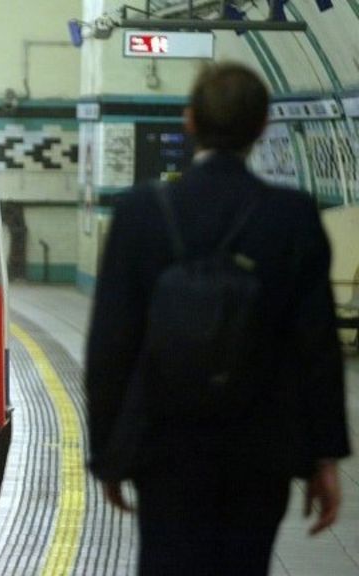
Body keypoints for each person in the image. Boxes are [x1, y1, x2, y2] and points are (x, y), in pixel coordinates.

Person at [85, 62, 350, 575]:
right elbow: (316, 344)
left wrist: (108, 453)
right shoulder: (291, 215)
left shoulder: (141, 212)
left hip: (165, 445)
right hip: (260, 447)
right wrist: (325, 456)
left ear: (189, 122)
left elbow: (111, 344)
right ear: (262, 127)